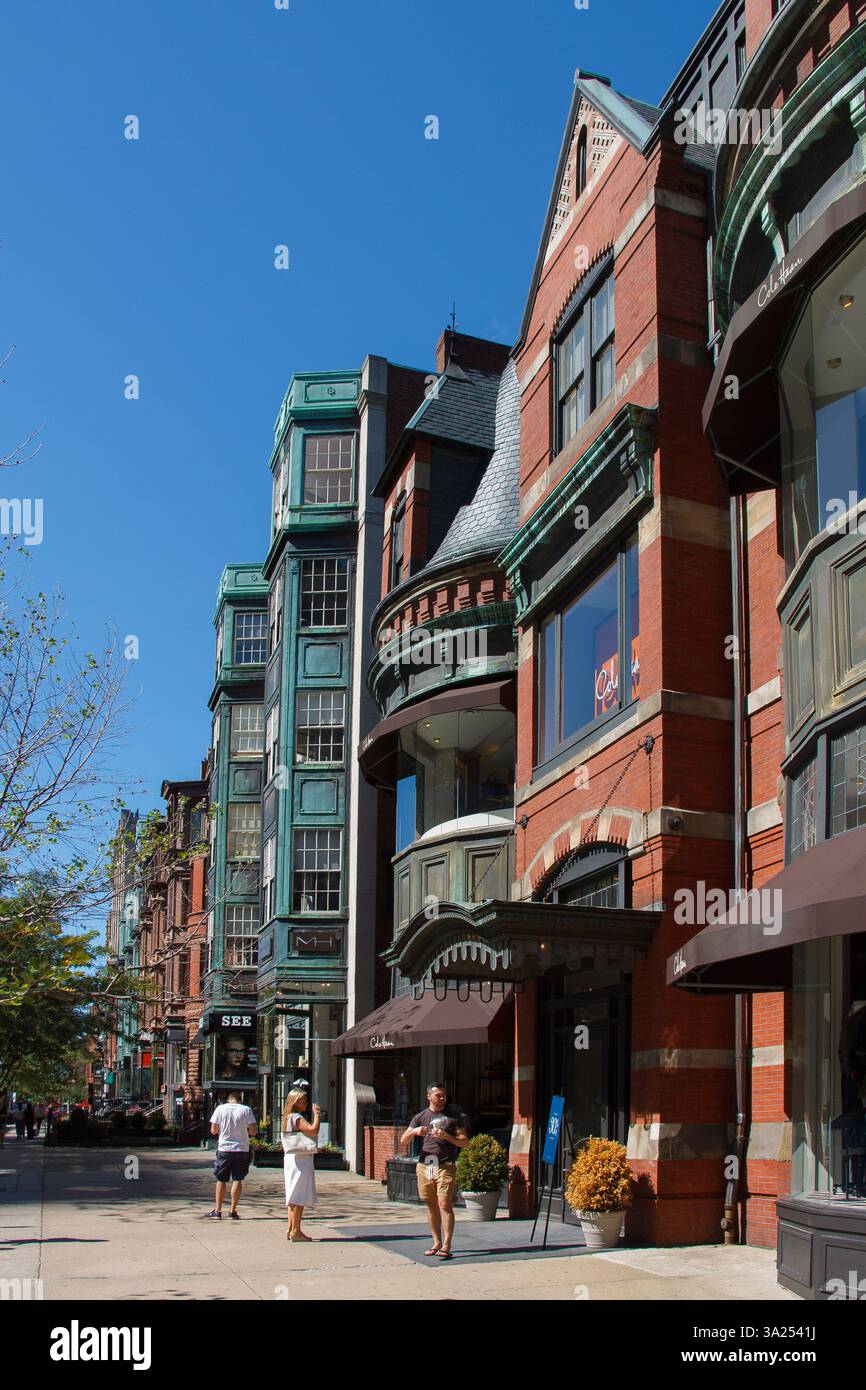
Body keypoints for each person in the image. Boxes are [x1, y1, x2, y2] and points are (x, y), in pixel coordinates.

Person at [400, 1082, 469, 1260]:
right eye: (438, 1095)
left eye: (444, 1094)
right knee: (431, 1205)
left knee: (444, 1204)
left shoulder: (454, 1117)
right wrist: (415, 1131)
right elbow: (403, 1141)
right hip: (427, 1164)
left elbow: (464, 1142)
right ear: (428, 1096)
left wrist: (447, 1136)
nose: (442, 1098)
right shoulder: (420, 1116)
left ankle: (447, 1245)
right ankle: (436, 1242)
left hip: (445, 1165)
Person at [207, 1091, 256, 1220]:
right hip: (242, 1149)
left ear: (229, 1100)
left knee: (221, 1179)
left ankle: (218, 1210)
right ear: (240, 1100)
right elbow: (253, 1131)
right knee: (237, 1179)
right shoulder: (246, 1110)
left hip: (224, 1148)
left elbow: (213, 1130)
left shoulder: (220, 1109)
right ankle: (233, 1210)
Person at [281, 1088, 320, 1243]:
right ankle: (296, 1231)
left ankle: (291, 1228)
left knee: (293, 1194)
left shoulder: (287, 1117)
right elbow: (313, 1130)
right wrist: (317, 1114)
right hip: (300, 1160)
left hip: (291, 1158)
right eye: (303, 1101)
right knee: (299, 1195)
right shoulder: (296, 1117)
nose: (306, 1104)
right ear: (295, 1102)